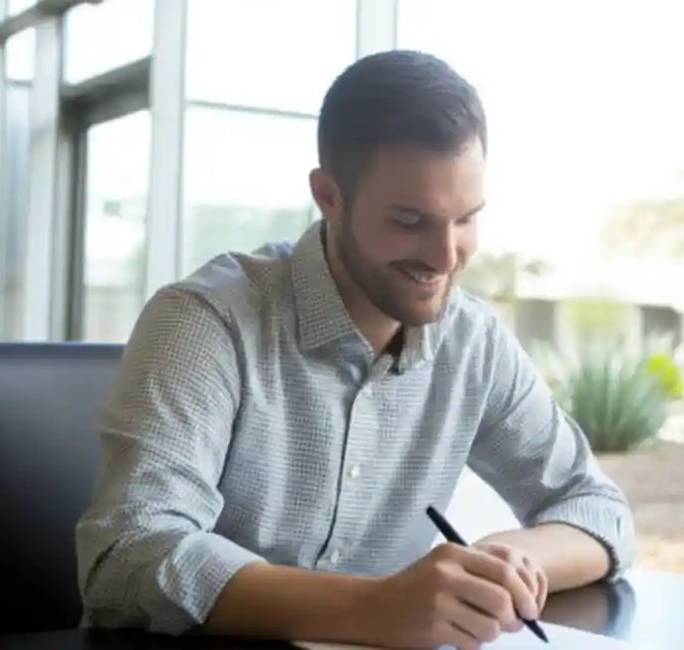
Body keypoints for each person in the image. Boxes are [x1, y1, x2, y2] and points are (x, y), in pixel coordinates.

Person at [74, 49, 636, 650]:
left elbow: (597, 509)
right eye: (409, 220)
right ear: (329, 195)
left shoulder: (473, 342)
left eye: (466, 219)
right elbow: (128, 559)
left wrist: (500, 565)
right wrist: (375, 607)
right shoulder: (207, 323)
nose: (446, 257)